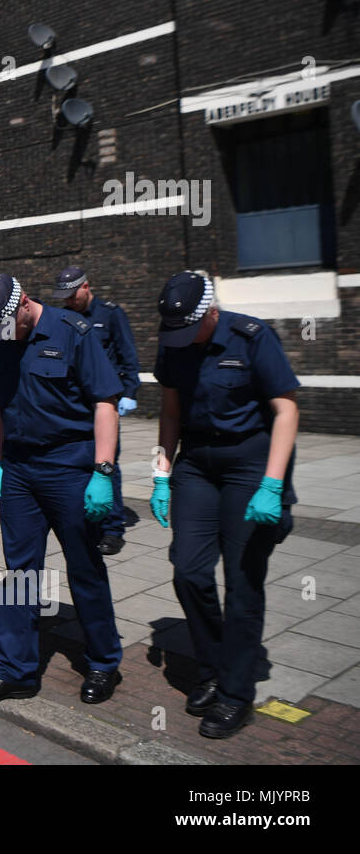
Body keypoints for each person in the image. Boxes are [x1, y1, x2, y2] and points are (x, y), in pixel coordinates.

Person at [150, 271, 299, 739]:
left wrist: (272, 483)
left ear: (211, 313)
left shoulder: (251, 337)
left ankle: (236, 693)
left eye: (190, 328)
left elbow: (287, 408)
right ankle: (212, 666)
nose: (182, 339)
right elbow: (171, 410)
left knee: (242, 579)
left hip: (248, 462)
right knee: (189, 571)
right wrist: (161, 472)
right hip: (196, 462)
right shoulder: (175, 342)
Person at [0, 273, 124, 706]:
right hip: (19, 470)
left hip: (69, 467)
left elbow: (105, 403)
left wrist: (104, 471)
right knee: (19, 571)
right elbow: (1, 402)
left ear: (26, 304)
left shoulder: (75, 333)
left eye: (8, 324)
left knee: (84, 567)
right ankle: (15, 670)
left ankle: (104, 662)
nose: (3, 335)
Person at [54, 266, 140, 554]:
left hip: (106, 401)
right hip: (76, 403)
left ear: (86, 287)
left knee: (107, 465)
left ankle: (113, 528)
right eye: (64, 297)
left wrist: (129, 393)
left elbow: (128, 355)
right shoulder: (65, 317)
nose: (68, 301)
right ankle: (86, 519)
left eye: (72, 295)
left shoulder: (111, 314)